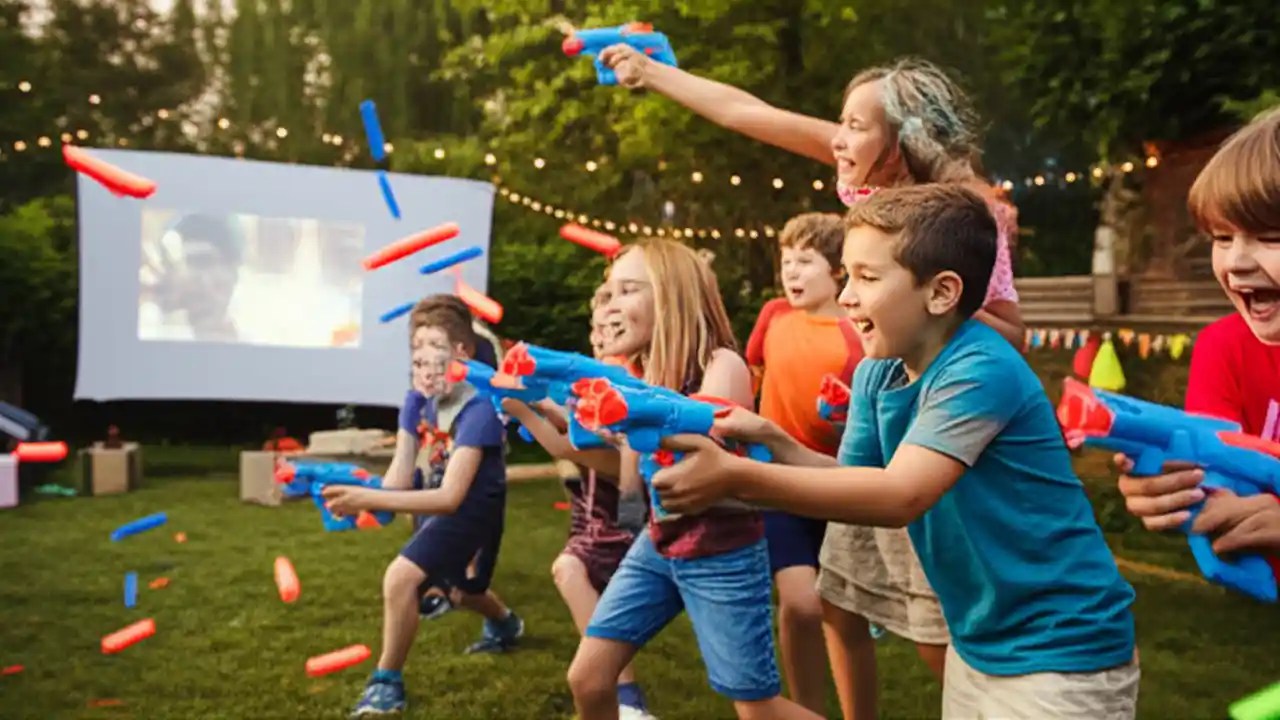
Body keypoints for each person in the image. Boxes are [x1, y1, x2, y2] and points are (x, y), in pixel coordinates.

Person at [650, 184, 1139, 719]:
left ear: (942, 292)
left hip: (1064, 648)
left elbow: (898, 496)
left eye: (867, 277)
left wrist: (734, 479)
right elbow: (855, 481)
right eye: (846, 275)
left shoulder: (979, 370)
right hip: (981, 642)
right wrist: (772, 441)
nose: (846, 297)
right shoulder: (878, 369)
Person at [503, 239, 823, 720]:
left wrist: (624, 417)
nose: (610, 306)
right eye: (607, 293)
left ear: (673, 296)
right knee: (588, 679)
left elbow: (695, 462)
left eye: (627, 290)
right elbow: (617, 469)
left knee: (758, 708)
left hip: (722, 553)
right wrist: (533, 406)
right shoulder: (638, 374)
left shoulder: (721, 366)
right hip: (660, 543)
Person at [321, 295, 524, 716]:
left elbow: (453, 497)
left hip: (468, 514)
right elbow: (397, 482)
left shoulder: (479, 409)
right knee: (464, 591)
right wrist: (404, 426)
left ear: (461, 353)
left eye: (433, 347)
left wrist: (367, 497)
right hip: (432, 509)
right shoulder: (424, 402)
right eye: (416, 351)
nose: (423, 361)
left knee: (400, 579)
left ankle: (386, 682)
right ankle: (505, 623)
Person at [1113, 107, 1280, 571]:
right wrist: (1170, 485)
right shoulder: (1223, 347)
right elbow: (1219, 478)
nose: (1236, 262)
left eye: (1270, 237)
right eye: (1222, 237)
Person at [743, 213, 861, 712]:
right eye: (786, 261)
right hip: (776, 477)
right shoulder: (773, 315)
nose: (791, 272)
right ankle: (808, 709)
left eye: (805, 261)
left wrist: (839, 414)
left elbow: (862, 425)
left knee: (842, 613)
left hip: (834, 483)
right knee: (799, 603)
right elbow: (753, 372)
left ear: (837, 271)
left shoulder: (857, 333)